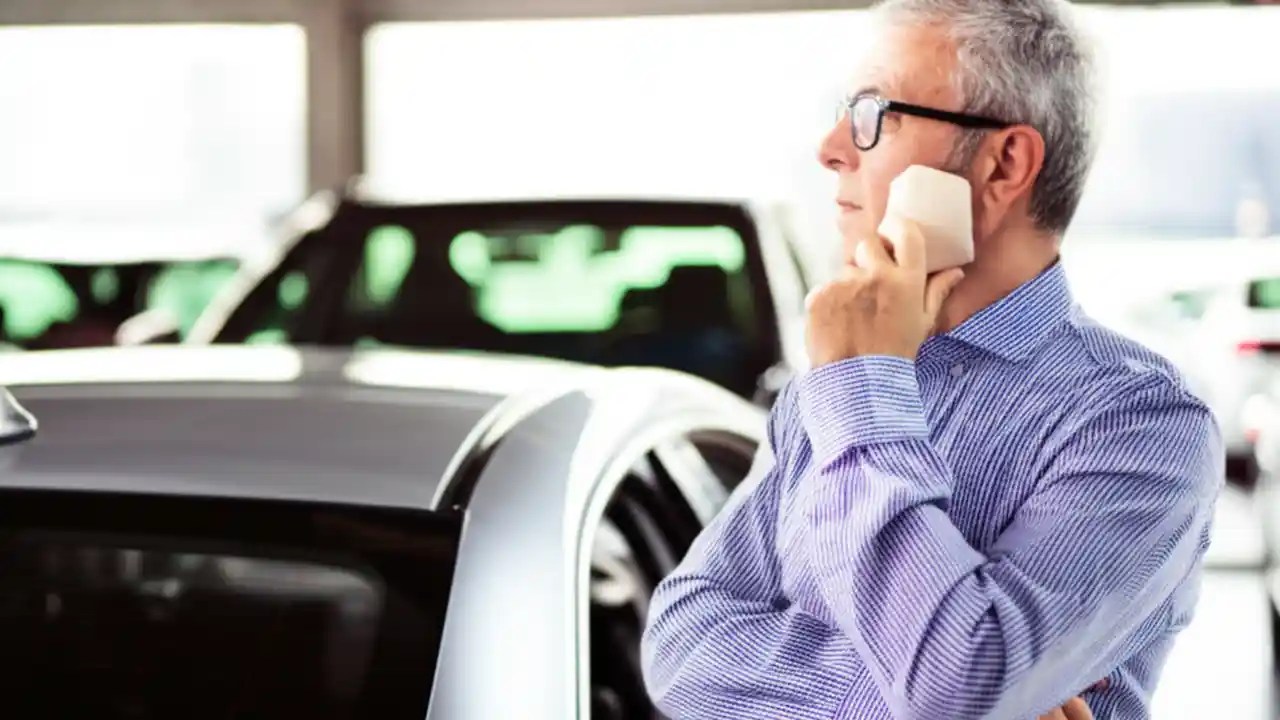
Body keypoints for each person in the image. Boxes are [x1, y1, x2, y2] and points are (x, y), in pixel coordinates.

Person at [640, 1, 1223, 718]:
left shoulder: (1140, 425)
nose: (830, 147)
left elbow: (959, 684)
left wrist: (861, 390)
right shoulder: (826, 386)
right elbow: (679, 644)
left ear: (1003, 164)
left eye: (874, 112)